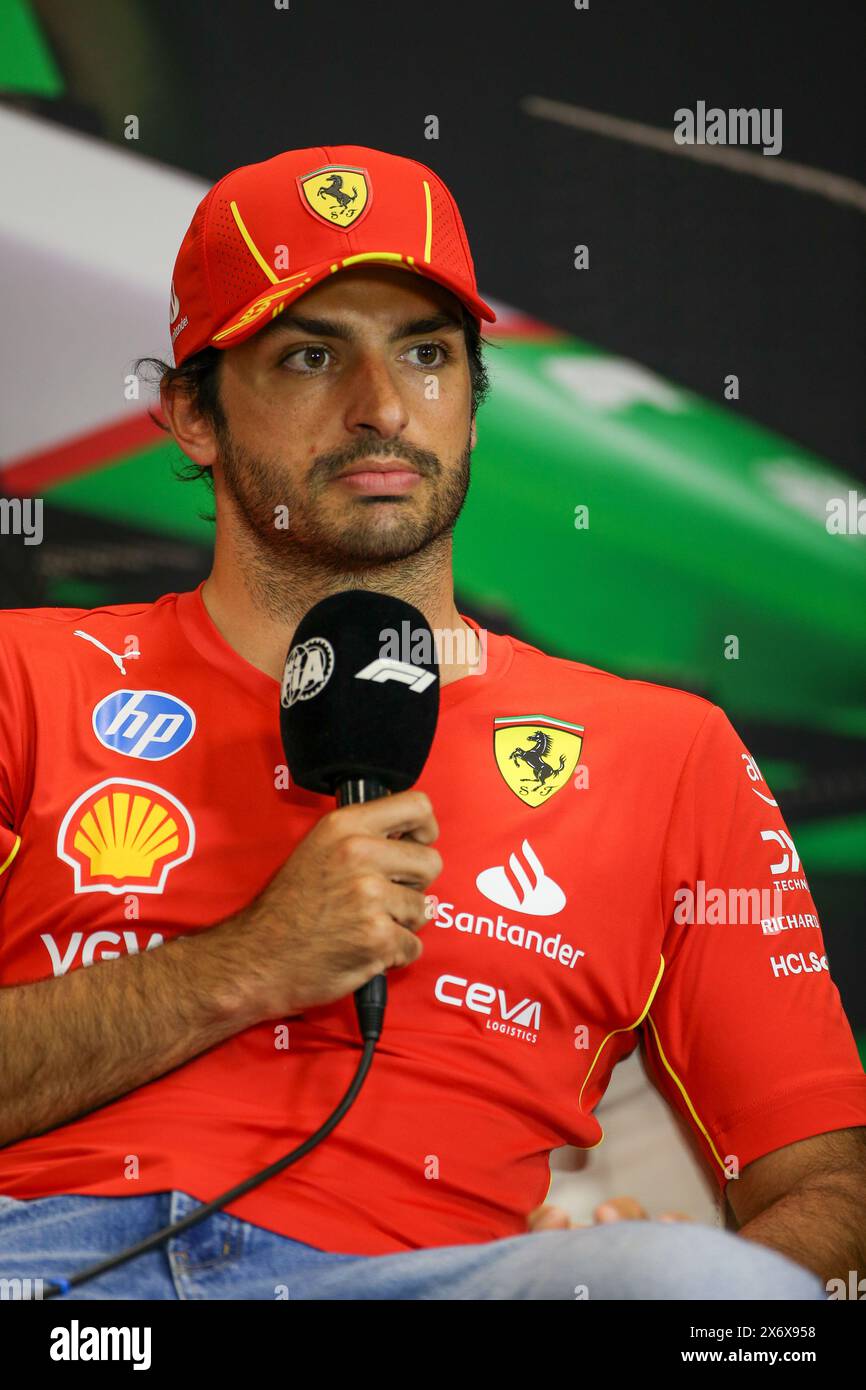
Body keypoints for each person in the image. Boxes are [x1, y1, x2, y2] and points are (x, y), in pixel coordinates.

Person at [0, 145, 863, 1301]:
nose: (383, 408)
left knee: (699, 1289)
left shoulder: (667, 751)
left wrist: (708, 1288)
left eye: (425, 353)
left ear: (470, 401)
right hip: (37, 1261)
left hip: (425, 1284)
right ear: (192, 417)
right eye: (311, 355)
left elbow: (824, 1182)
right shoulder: (23, 671)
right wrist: (249, 964)